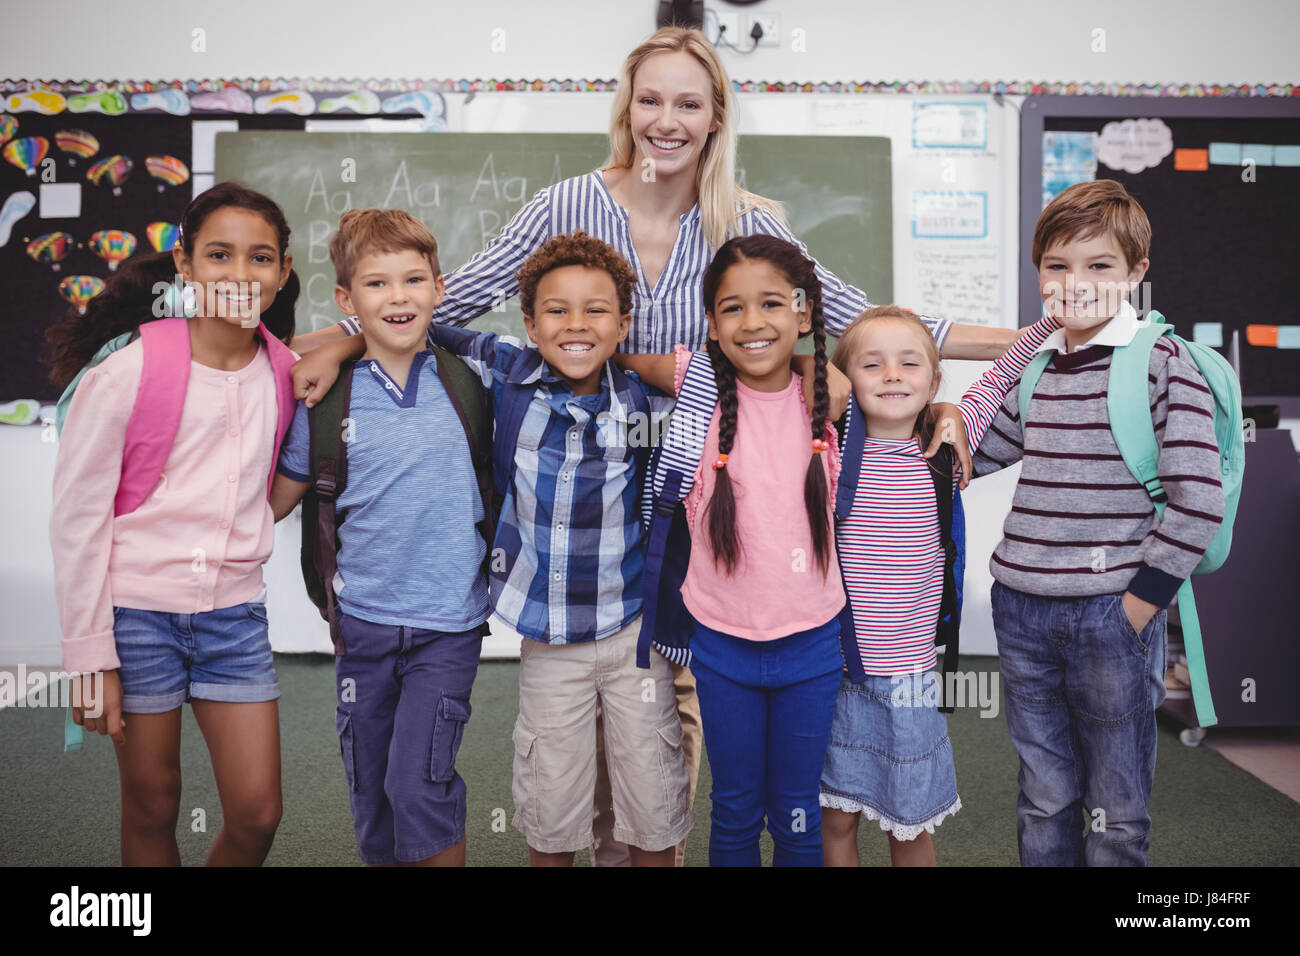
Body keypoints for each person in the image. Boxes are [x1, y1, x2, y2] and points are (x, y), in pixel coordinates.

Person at [288, 25, 1018, 866]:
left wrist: (1033, 335)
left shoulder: (743, 223)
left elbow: (866, 315)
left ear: (715, 119)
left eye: (689, 103)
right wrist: (348, 338)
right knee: (572, 780)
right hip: (591, 520)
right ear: (627, 109)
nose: (666, 120)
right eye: (651, 100)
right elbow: (459, 297)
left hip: (701, 540)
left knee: (663, 785)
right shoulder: (568, 206)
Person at [971, 179, 1226, 866]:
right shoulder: (1038, 367)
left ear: (1136, 272)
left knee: (1115, 812)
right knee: (1043, 797)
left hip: (1112, 615)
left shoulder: (1162, 364)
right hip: (1022, 609)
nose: (1074, 283)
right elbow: (974, 456)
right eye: (1057, 266)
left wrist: (1137, 608)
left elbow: (1198, 500)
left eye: (1099, 266)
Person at [48, 182, 299, 865]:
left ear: (282, 270)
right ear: (184, 265)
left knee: (257, 813)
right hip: (138, 618)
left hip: (235, 618)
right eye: (219, 255)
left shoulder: (288, 374)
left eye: (260, 258)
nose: (241, 275)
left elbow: (269, 492)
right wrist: (89, 656)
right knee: (154, 803)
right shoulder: (125, 372)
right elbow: (77, 523)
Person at [426, 231, 691, 866]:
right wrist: (326, 348)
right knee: (553, 809)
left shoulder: (647, 402)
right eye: (556, 310)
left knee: (653, 803)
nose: (576, 324)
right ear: (529, 322)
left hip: (636, 636)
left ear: (623, 323)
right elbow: (422, 326)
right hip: (547, 637)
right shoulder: (507, 371)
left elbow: (736, 372)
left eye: (596, 310)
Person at [269, 209, 493, 867]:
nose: (398, 297)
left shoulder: (474, 384)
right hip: (359, 628)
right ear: (345, 300)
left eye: (413, 280)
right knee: (372, 797)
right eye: (376, 284)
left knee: (418, 783)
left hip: (446, 628)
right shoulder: (326, 397)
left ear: (439, 288)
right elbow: (272, 507)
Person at [618, 234, 847, 865]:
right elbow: (622, 358)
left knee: (799, 813)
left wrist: (941, 408)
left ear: (803, 314)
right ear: (712, 324)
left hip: (813, 643)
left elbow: (900, 370)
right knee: (737, 809)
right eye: (731, 309)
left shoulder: (829, 393)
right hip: (721, 644)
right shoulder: (696, 386)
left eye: (772, 304)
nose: (752, 323)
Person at [817, 305, 1058, 866]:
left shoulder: (945, 448)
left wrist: (1052, 324)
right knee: (834, 818)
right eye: (872, 365)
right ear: (843, 379)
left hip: (911, 676)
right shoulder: (827, 449)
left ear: (934, 378)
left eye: (910, 363)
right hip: (836, 667)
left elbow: (1005, 371)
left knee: (911, 824)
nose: (893, 375)